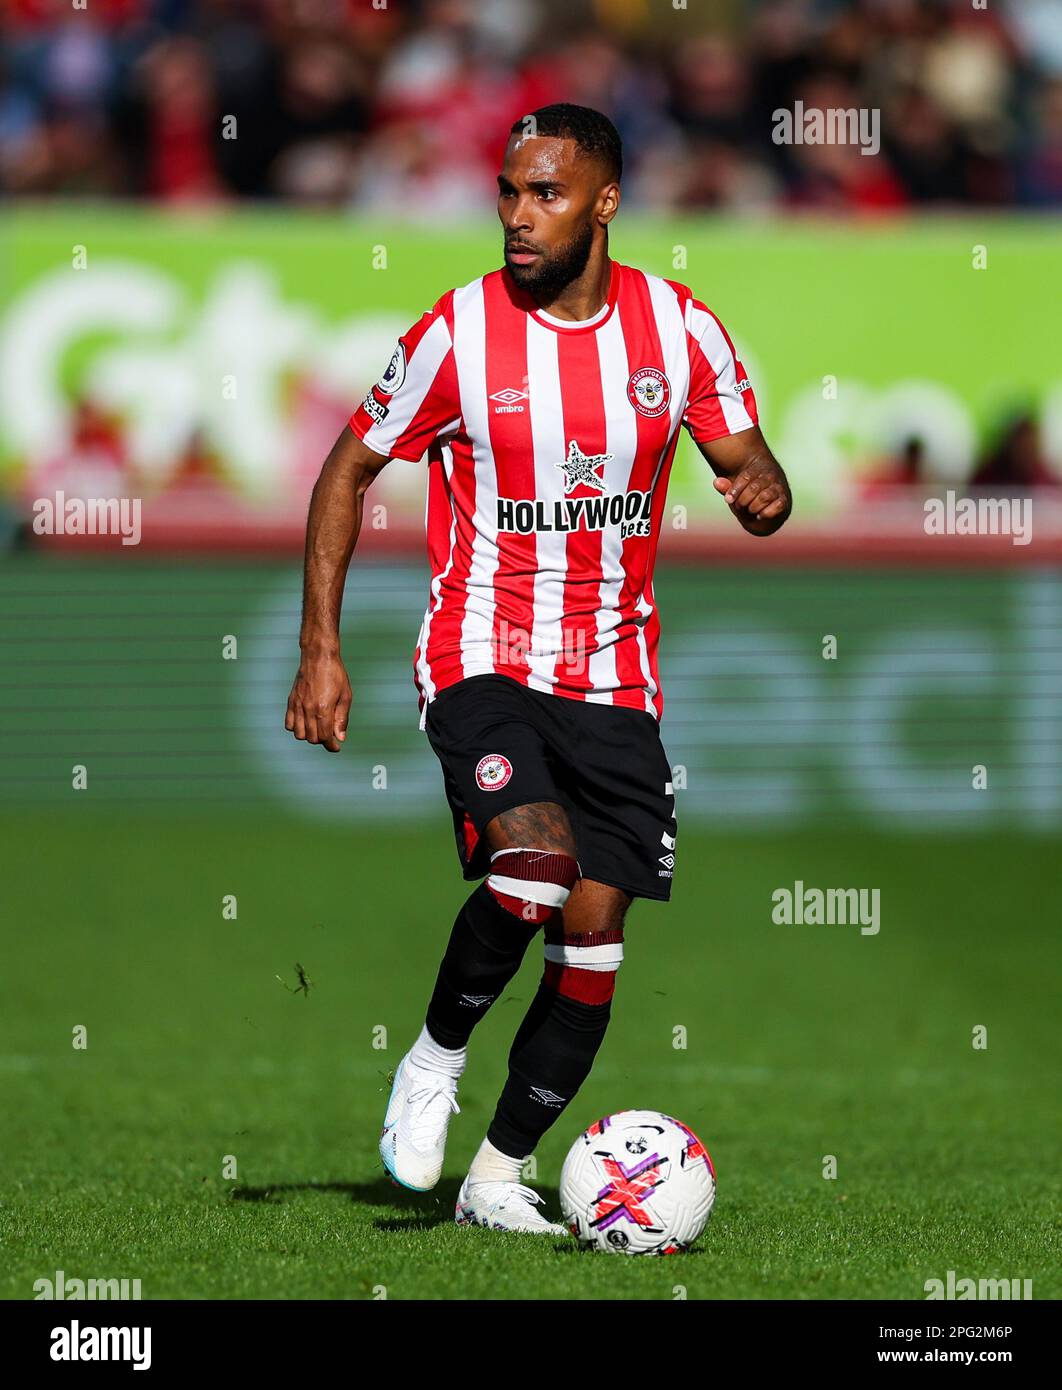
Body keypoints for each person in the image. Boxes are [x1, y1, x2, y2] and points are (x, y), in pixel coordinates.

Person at [285, 103, 791, 1234]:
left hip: (616, 675)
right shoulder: (459, 332)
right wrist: (320, 646)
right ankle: (431, 1059)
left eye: (546, 194)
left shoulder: (682, 331)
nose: (518, 215)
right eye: (509, 191)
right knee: (534, 869)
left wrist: (763, 491)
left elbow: (751, 464)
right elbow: (346, 469)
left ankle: (498, 1177)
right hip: (483, 652)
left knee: (595, 935)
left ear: (605, 202)